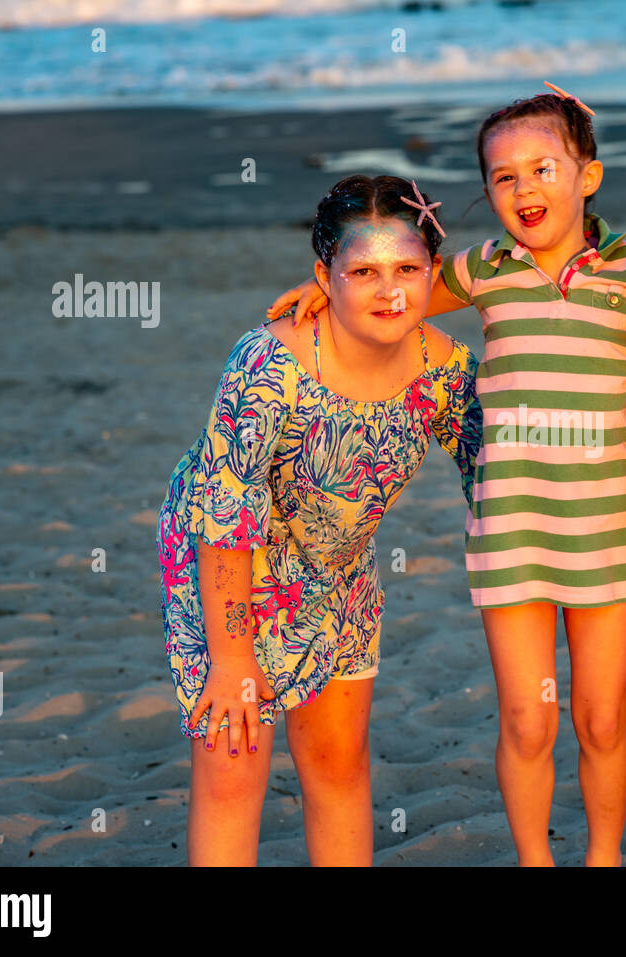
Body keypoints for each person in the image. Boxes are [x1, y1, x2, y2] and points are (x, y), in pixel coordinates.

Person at [268, 82, 626, 866]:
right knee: (527, 719)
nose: (524, 189)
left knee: (603, 718)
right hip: (510, 532)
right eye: (503, 178)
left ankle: (602, 857)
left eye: (544, 168)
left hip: (607, 534)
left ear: (588, 177)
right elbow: (399, 286)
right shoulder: (483, 268)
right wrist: (326, 286)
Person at [157, 175, 481, 866]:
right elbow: (224, 515)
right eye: (362, 271)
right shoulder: (269, 363)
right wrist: (235, 657)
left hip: (340, 561)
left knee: (338, 761)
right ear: (323, 277)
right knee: (235, 756)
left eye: (407, 270)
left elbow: (500, 465)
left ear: (433, 274)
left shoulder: (446, 371)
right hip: (229, 564)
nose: (389, 291)